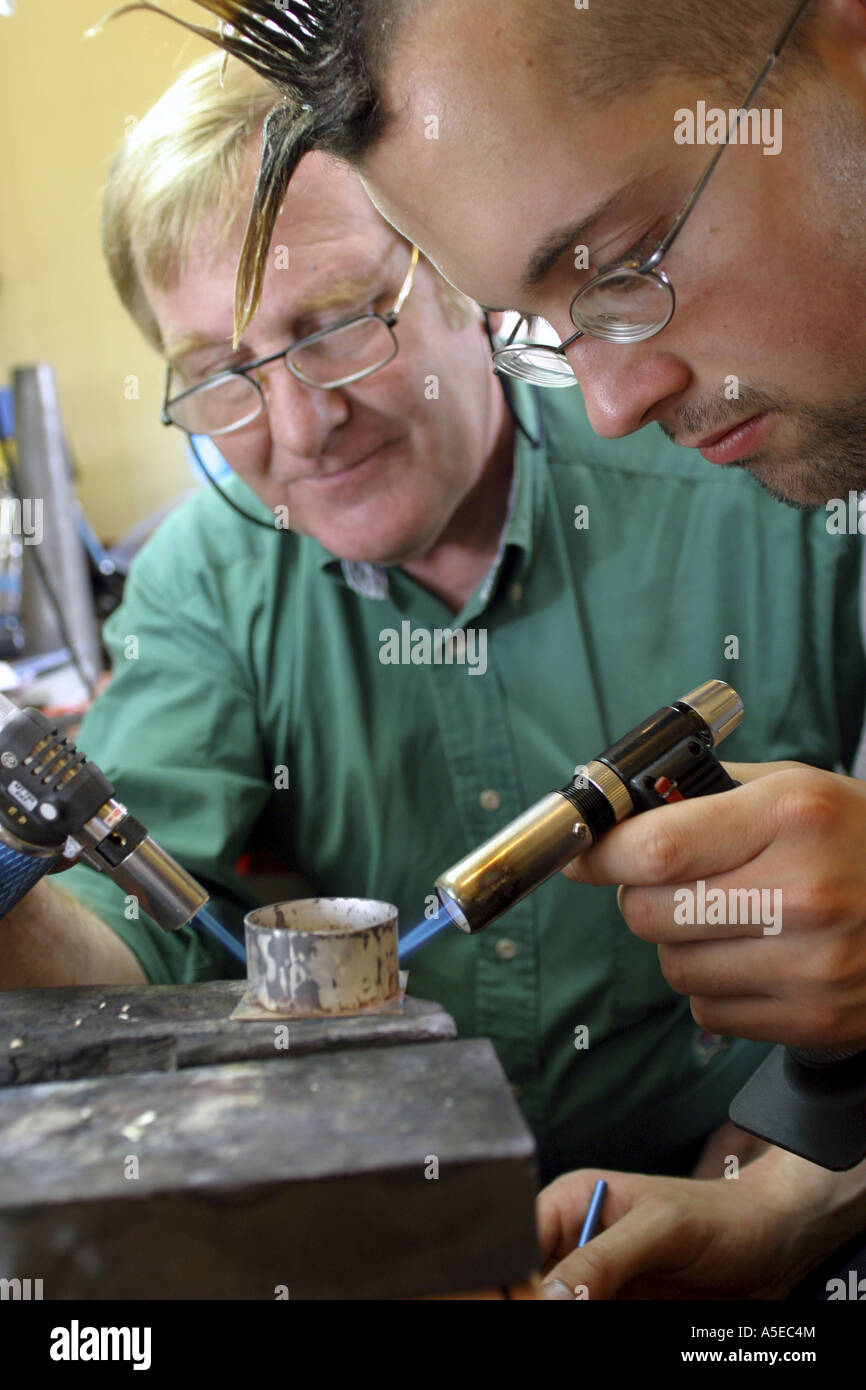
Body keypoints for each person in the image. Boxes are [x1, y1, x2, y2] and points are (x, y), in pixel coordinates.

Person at [5, 55, 860, 1218]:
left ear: (460, 285)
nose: (301, 427)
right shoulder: (204, 577)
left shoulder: (762, 472)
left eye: (338, 324)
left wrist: (779, 1182)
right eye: (218, 373)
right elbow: (128, 947)